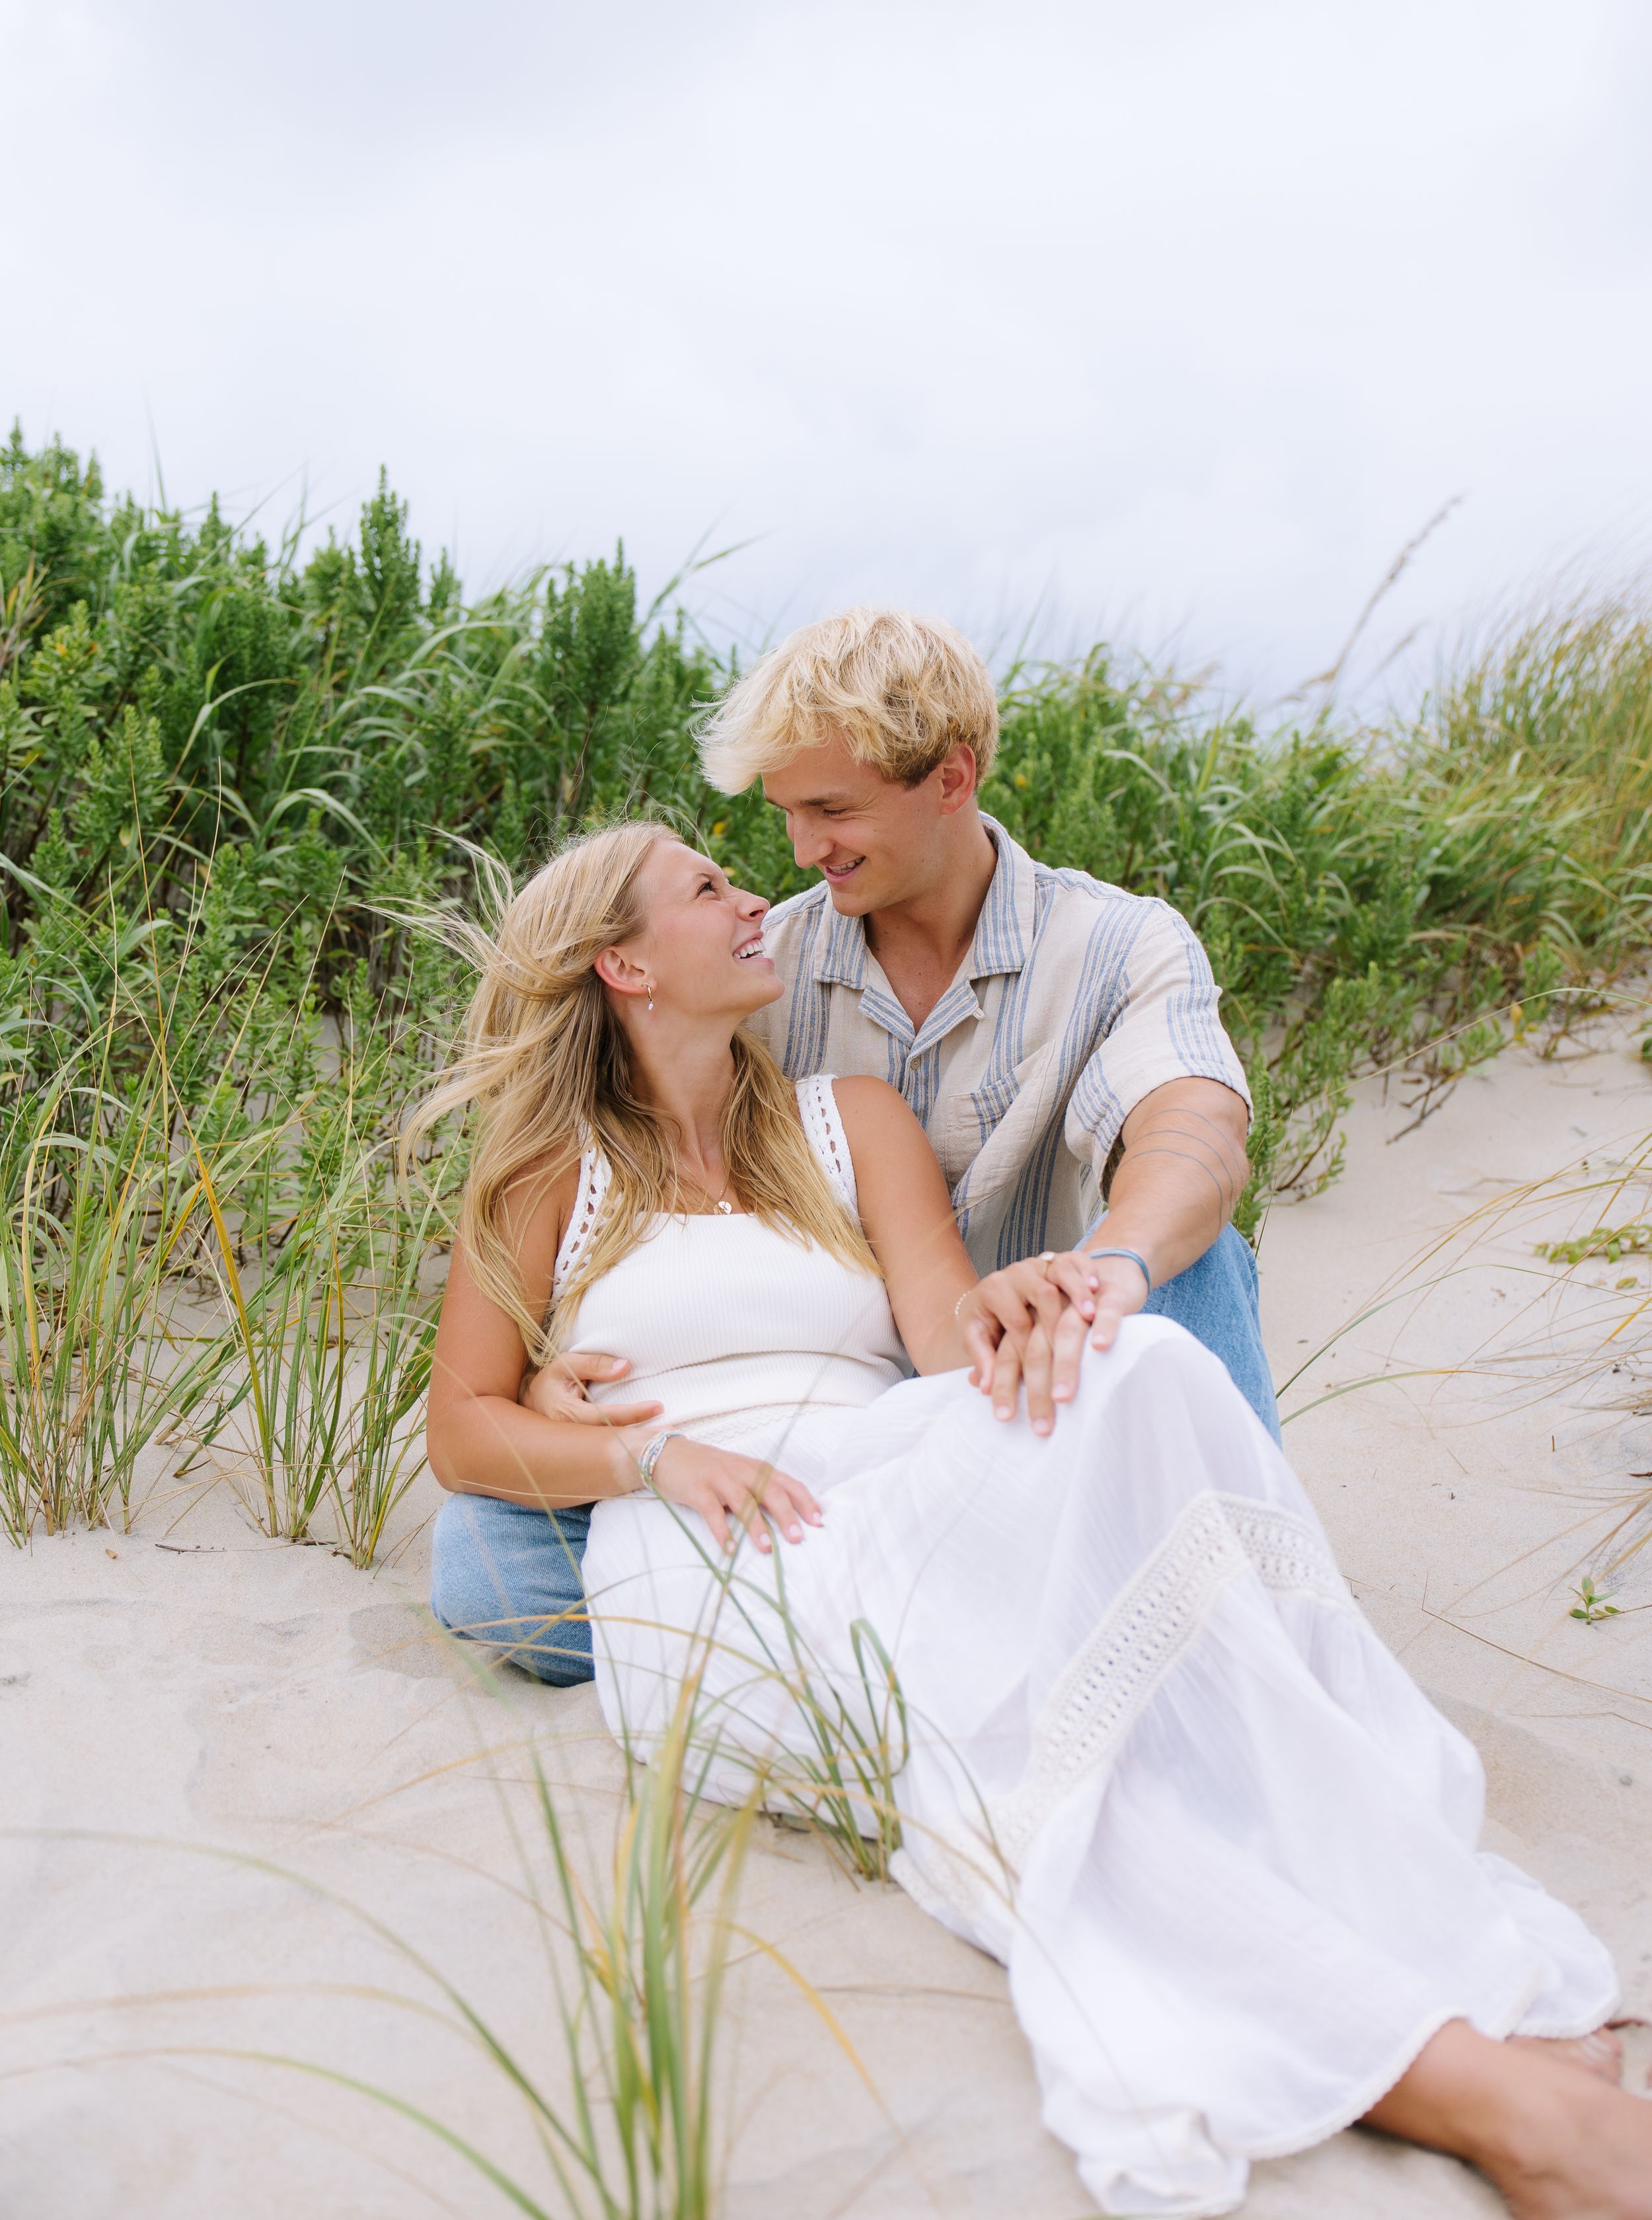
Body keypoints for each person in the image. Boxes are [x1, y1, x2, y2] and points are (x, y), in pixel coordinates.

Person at [419, 821, 1649, 2220]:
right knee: (1015, 1771)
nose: (751, 892)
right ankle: (1489, 2099)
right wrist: (649, 1462)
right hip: (710, 1526)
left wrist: (1026, 1314)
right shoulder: (548, 1171)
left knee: (1144, 1368)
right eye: (707, 888)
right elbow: (461, 1428)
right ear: (622, 965)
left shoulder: (844, 1118)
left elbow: (946, 1345)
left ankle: (1408, 1917)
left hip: (889, 1461)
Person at [434, 610, 1274, 1681]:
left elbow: (1193, 1122)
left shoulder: (1114, 944)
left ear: (952, 777)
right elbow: (625, 1165)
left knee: (1204, 1267)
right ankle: (925, 1617)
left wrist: (1111, 1265)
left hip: (1024, 1375)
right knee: (481, 1559)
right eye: (786, 814)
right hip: (780, 1445)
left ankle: (1230, 1613)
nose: (796, 853)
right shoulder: (762, 959)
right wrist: (562, 1405)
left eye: (832, 809)